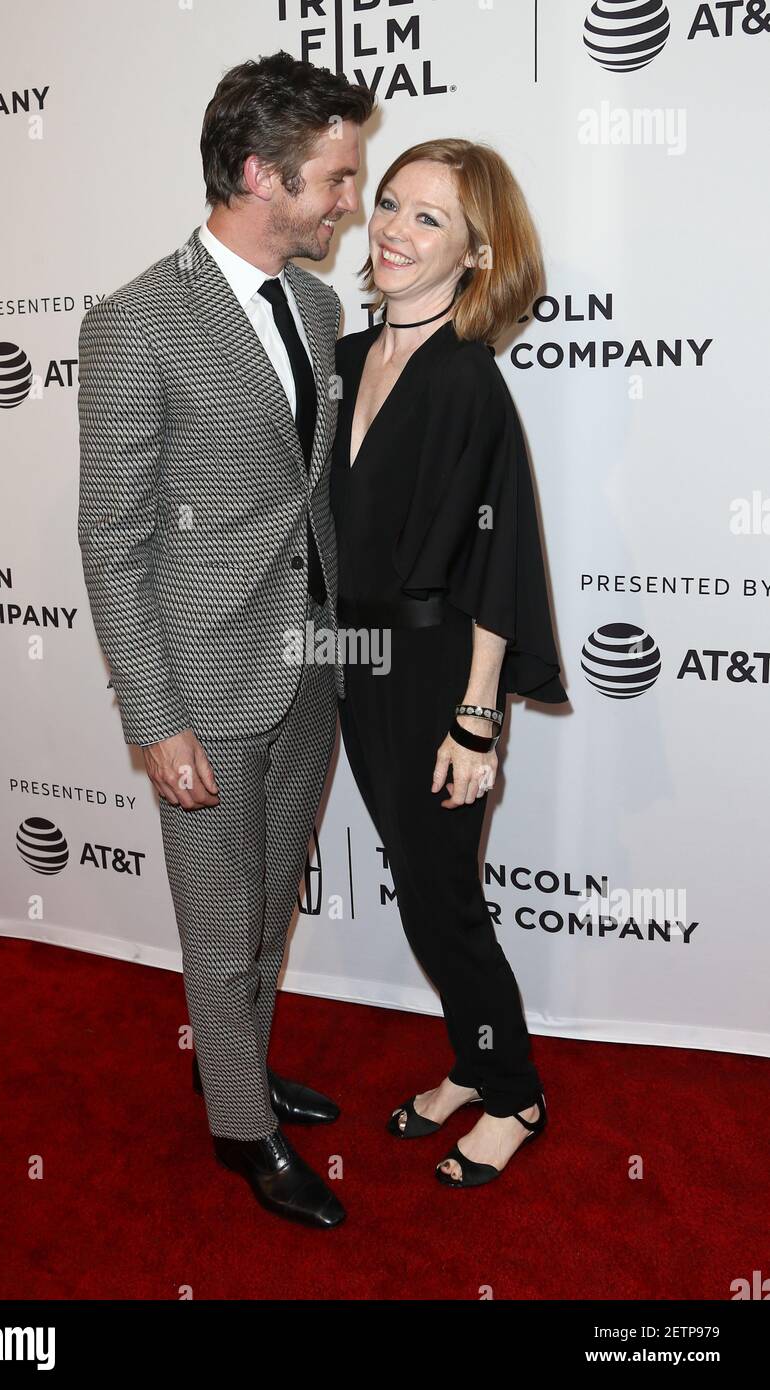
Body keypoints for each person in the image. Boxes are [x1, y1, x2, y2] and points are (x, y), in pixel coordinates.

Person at [77, 52, 375, 1228]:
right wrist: (154, 717)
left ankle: (232, 1062)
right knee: (219, 912)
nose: (350, 204)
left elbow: (307, 495)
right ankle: (238, 1133)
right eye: (336, 181)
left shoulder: (315, 304)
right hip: (202, 676)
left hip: (310, 665)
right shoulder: (138, 322)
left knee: (264, 905)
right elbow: (112, 537)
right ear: (262, 176)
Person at [330, 139, 568, 1189]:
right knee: (423, 887)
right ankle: (473, 1062)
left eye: (429, 218)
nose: (393, 228)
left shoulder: (466, 380)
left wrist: (478, 722)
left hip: (434, 670)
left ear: (475, 253)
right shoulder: (339, 359)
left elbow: (493, 557)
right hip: (349, 657)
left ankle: (513, 1088)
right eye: (389, 204)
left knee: (441, 898)